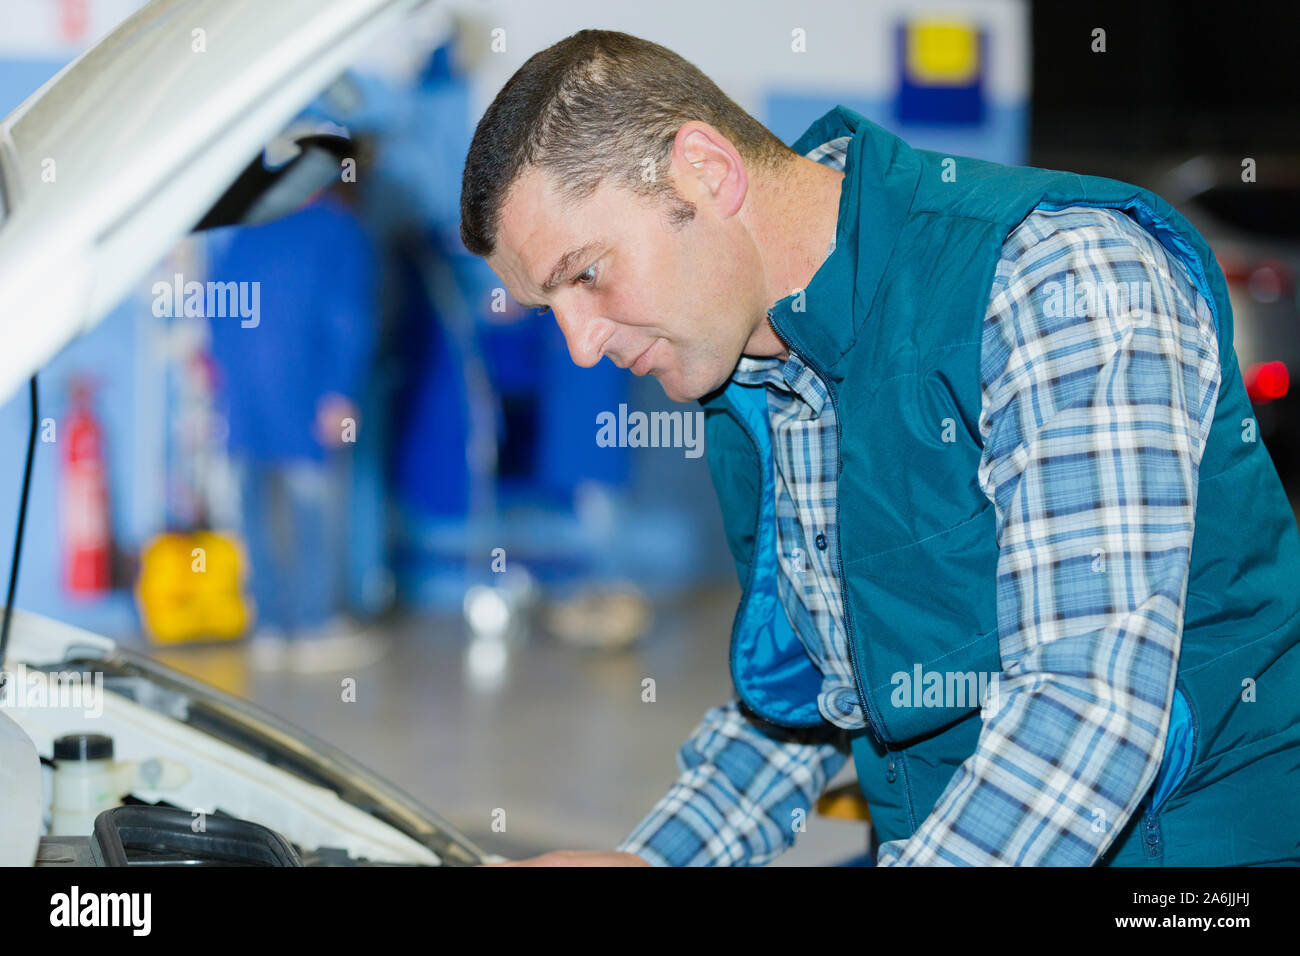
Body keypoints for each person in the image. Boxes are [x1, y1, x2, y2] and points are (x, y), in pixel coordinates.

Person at [458, 30, 1300, 865]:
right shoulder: (757, 373)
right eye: (549, 309)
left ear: (707, 171)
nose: (580, 347)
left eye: (586, 274)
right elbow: (814, 699)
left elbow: (1084, 712)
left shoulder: (1057, 280)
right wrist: (649, 861)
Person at [207, 185, 386, 674]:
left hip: (245, 404)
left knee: (255, 514)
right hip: (308, 397)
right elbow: (349, 317)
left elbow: (217, 315)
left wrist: (228, 391)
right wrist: (341, 391)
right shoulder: (338, 230)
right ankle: (314, 626)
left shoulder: (246, 232)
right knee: (314, 514)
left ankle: (268, 627)